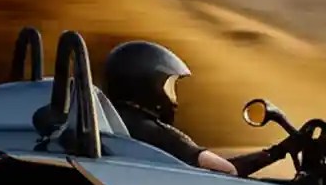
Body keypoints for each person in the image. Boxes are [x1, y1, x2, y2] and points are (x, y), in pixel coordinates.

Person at [102, 40, 295, 177]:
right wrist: (277, 152)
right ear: (149, 84)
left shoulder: (106, 123)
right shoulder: (157, 134)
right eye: (169, 86)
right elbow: (227, 171)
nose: (173, 99)